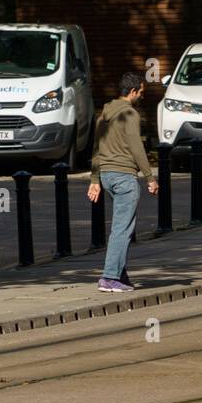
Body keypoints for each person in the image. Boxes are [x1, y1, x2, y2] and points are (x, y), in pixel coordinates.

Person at [87, 72, 158, 293]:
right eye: (141, 93)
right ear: (133, 91)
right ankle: (109, 277)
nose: (142, 97)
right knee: (122, 228)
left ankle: (119, 274)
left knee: (121, 226)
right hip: (124, 176)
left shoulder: (104, 114)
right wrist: (150, 177)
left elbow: (96, 148)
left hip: (107, 176)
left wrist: (95, 179)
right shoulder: (130, 114)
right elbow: (136, 147)